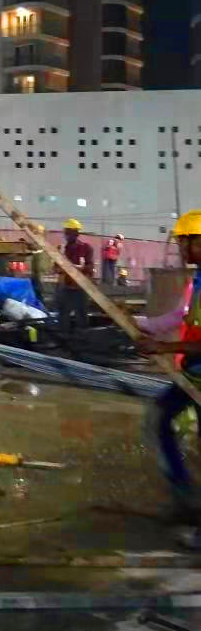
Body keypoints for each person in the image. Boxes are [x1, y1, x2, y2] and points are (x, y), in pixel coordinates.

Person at [136, 210, 201, 531]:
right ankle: (185, 496)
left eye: (185, 242)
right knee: (158, 418)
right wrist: (139, 324)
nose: (181, 249)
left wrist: (162, 348)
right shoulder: (198, 280)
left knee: (160, 418)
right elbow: (178, 316)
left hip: (197, 371)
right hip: (195, 372)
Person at [55, 218, 94, 332]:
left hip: (79, 287)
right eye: (66, 232)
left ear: (76, 233)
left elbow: (90, 266)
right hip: (64, 286)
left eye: (69, 232)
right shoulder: (61, 249)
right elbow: (55, 267)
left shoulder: (86, 248)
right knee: (63, 314)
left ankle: (82, 338)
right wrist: (59, 269)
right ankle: (63, 336)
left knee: (81, 314)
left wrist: (79, 268)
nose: (66, 235)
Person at [30, 224, 51, 308]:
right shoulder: (38, 245)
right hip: (36, 273)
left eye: (36, 233)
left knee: (40, 293)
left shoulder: (42, 245)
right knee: (37, 292)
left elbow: (38, 252)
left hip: (41, 274)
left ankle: (43, 309)